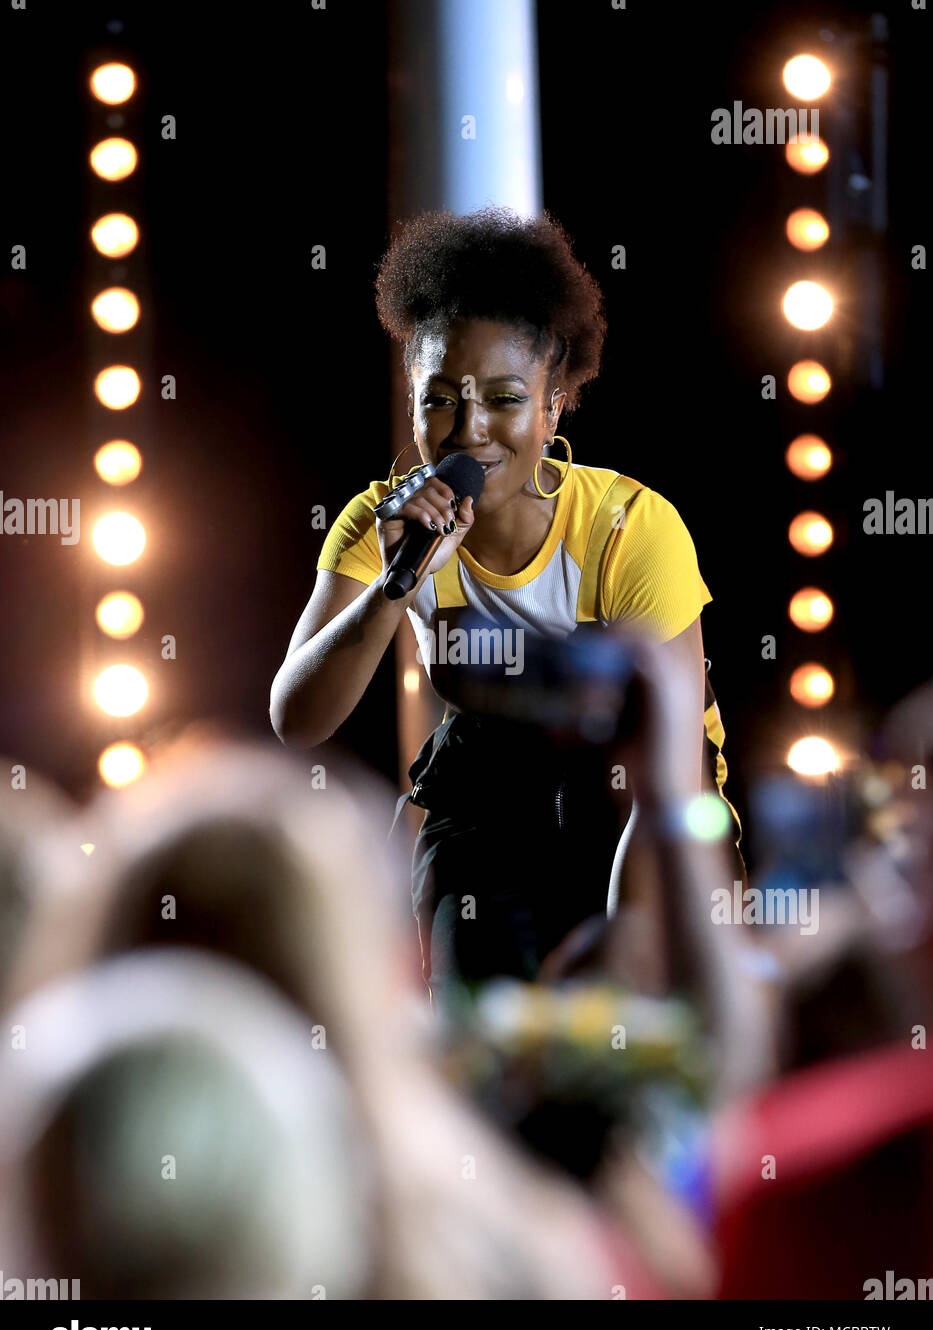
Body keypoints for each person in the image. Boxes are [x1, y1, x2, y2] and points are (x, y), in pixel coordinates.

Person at [270, 207, 743, 996]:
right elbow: (297, 717)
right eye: (441, 398)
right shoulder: (384, 524)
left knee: (632, 1021)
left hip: (645, 788)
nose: (470, 428)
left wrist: (624, 950)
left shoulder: (629, 527)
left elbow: (670, 767)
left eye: (503, 397)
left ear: (553, 405)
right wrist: (395, 587)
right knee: (476, 1021)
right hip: (488, 803)